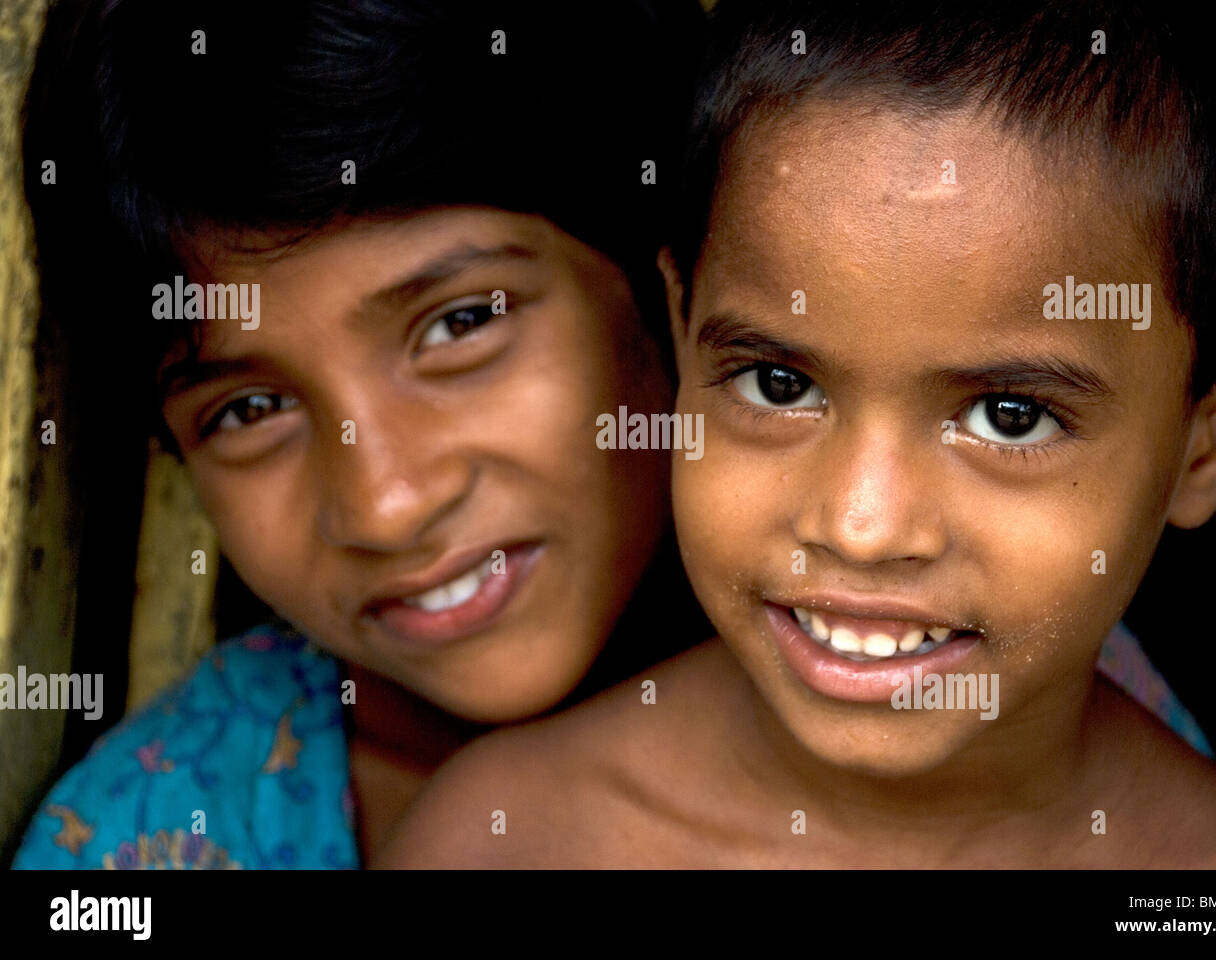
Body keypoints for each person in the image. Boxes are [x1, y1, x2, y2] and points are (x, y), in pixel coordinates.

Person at [377, 0, 1216, 868]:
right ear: (681, 328)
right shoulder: (511, 840)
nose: (860, 527)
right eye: (779, 386)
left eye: (1008, 417)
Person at [12, 0, 710, 869]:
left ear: (672, 285)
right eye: (248, 412)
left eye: (459, 325)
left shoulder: (902, 713)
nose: (386, 507)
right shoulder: (146, 839)